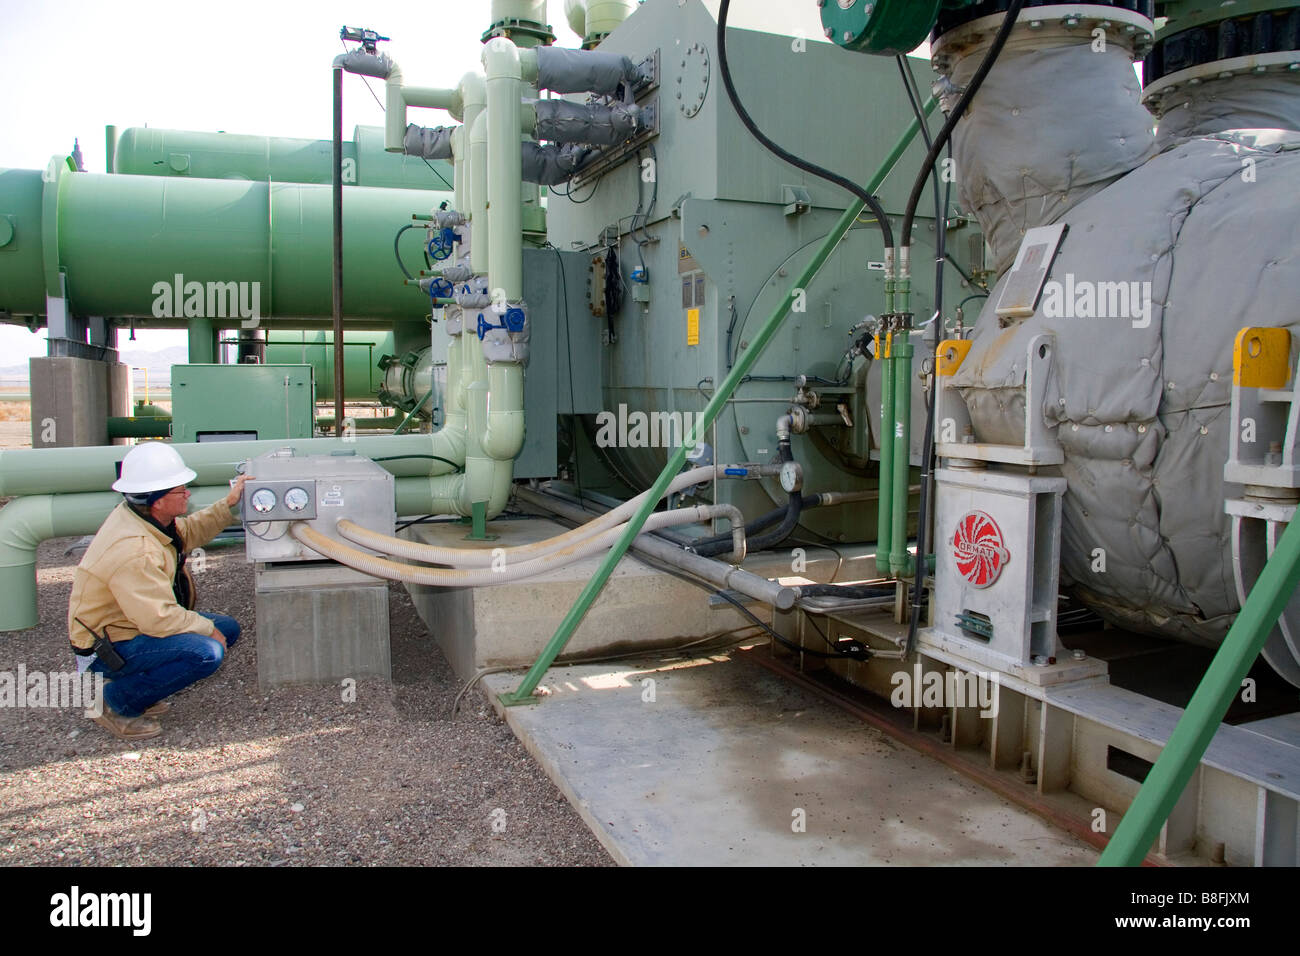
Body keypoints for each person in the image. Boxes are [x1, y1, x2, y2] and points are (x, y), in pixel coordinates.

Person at [67, 442, 250, 741]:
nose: (188, 493)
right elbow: (159, 620)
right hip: (107, 647)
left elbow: (188, 533)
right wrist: (205, 630)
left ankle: (142, 684)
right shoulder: (134, 550)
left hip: (128, 625)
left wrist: (229, 504)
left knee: (227, 629)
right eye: (180, 490)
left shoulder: (145, 518)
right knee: (207, 652)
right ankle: (117, 702)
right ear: (158, 501)